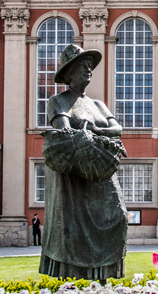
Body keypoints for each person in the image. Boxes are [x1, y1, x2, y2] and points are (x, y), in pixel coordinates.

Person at [39, 44, 127, 280]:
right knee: (72, 229)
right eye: (83, 65)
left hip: (100, 168)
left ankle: (103, 276)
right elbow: (64, 132)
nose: (89, 69)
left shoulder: (97, 104)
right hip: (74, 173)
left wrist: (96, 129)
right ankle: (72, 279)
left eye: (90, 66)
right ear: (69, 72)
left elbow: (117, 128)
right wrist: (90, 135)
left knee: (118, 217)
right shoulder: (58, 101)